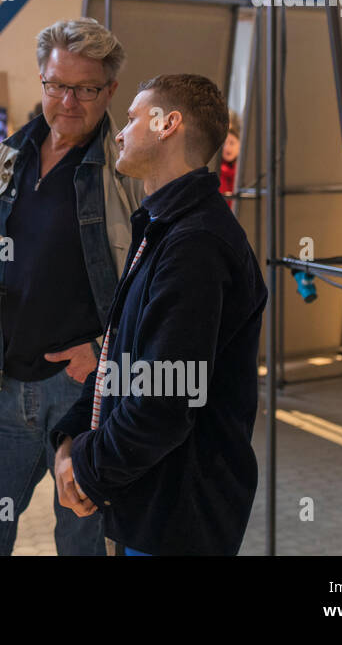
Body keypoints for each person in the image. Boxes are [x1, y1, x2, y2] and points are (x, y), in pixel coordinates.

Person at [51, 74, 268, 556]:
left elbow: (163, 402)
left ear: (168, 124)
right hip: (147, 499)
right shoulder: (162, 226)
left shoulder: (196, 244)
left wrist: (86, 465)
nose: (120, 134)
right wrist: (71, 438)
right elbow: (120, 357)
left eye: (131, 119)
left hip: (180, 513)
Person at [0, 17, 142, 556]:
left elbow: (151, 281)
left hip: (84, 392)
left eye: (86, 89)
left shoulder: (126, 171)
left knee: (84, 541)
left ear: (110, 90)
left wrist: (102, 350)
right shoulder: (8, 157)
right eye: (57, 85)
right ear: (41, 80)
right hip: (3, 380)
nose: (69, 101)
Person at [219, 109, 241, 206]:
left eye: (232, 143)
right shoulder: (217, 170)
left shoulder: (242, 171)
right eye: (224, 143)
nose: (227, 148)